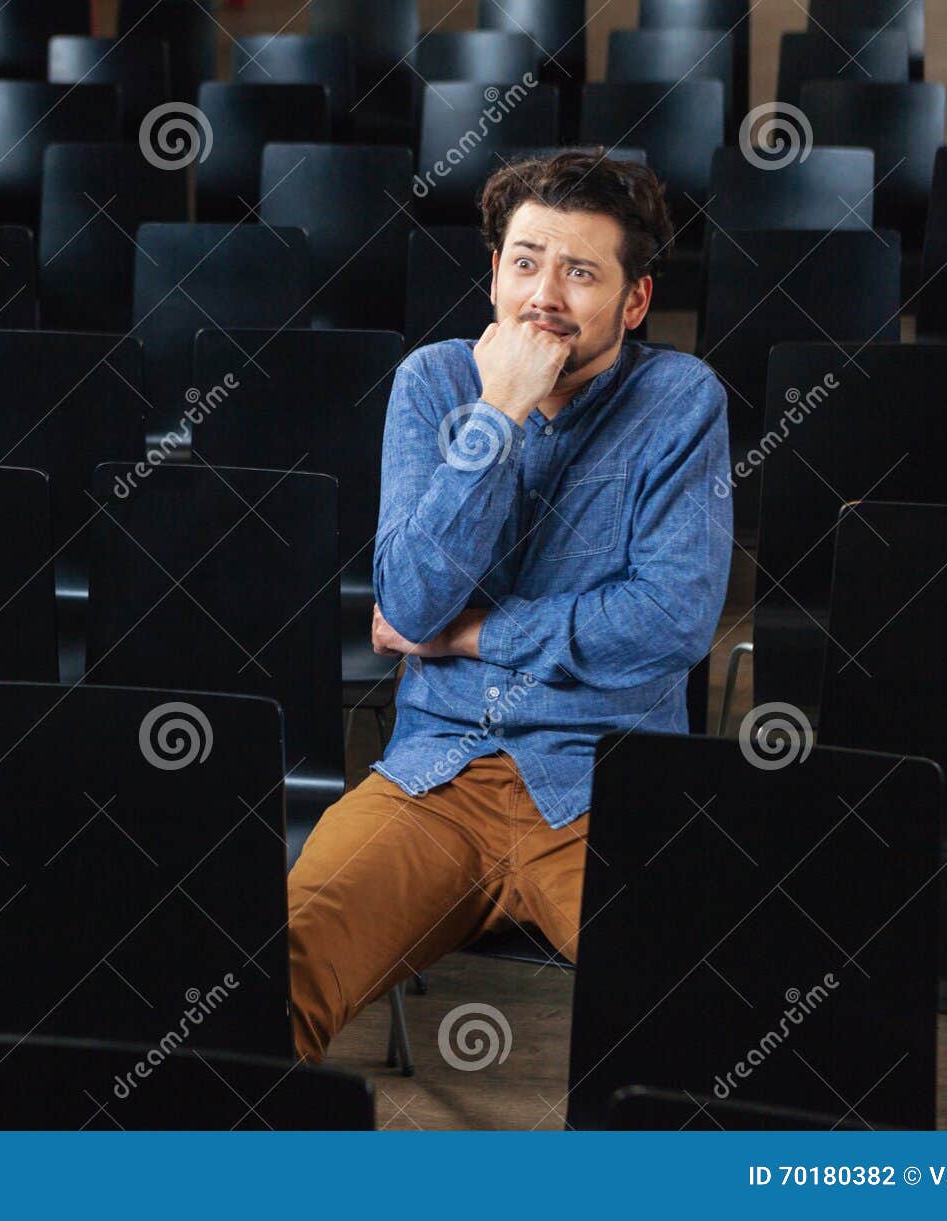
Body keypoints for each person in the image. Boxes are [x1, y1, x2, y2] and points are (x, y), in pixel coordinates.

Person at [287, 150, 733, 1062]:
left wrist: (475, 632)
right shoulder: (434, 383)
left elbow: (673, 620)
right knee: (268, 976)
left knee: (708, 1019)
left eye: (580, 271)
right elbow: (409, 599)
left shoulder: (680, 399)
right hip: (436, 776)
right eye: (526, 261)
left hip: (608, 777)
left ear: (634, 301)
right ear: (494, 273)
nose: (545, 295)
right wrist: (500, 414)